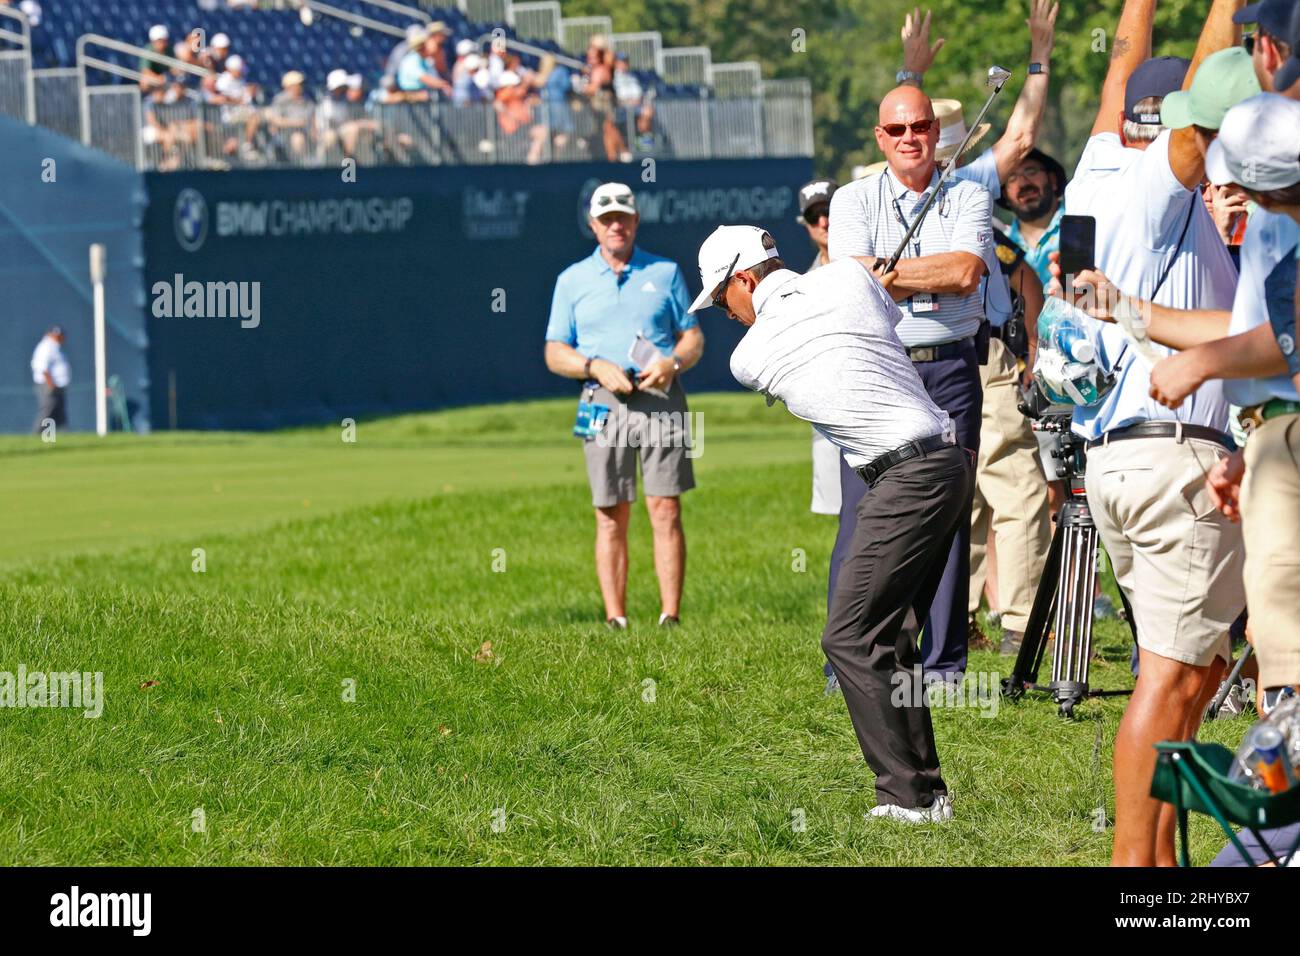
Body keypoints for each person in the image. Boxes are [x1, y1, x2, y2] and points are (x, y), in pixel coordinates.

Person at [691, 224, 971, 823]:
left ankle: (908, 798)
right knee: (890, 636)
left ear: (744, 278)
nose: (727, 314)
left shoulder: (748, 357)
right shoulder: (849, 276)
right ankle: (926, 792)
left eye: (722, 299)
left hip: (906, 480)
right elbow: (882, 325)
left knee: (849, 637)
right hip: (948, 463)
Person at [1055, 0, 1244, 867]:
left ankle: (1162, 863)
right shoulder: (1157, 187)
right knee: (1171, 677)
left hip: (1124, 459)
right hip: (1172, 457)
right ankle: (1138, 880)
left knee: (1190, 677)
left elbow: (1111, 83)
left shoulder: (1098, 166)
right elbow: (1203, 95)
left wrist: (1136, 7)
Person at [1130, 94, 1300, 701]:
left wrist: (1199, 366)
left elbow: (1289, 336)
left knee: (1284, 630)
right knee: (1276, 627)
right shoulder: (1276, 225)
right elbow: (1245, 328)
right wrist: (1126, 312)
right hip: (1274, 439)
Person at [828, 84, 991, 684]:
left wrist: (888, 274)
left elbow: (966, 271)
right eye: (896, 130)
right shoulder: (852, 200)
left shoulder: (970, 193)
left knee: (950, 511)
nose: (909, 139)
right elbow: (851, 281)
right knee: (862, 512)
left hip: (950, 365)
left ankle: (944, 664)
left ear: (936, 131)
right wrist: (928, 275)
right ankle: (851, 658)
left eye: (919, 126)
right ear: (880, 137)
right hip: (878, 366)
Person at [544, 184, 704, 629]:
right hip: (601, 401)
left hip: (660, 396)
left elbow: (692, 338)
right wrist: (593, 366)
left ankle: (670, 615)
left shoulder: (666, 272)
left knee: (665, 506)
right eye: (607, 218)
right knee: (610, 511)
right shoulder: (571, 280)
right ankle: (616, 618)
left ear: (635, 221)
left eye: (624, 216)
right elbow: (554, 351)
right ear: (593, 225)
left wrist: (672, 363)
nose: (616, 224)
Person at [796, 178, 843, 522]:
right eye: (815, 217)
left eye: (830, 211)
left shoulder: (878, 264)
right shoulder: (802, 286)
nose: (824, 222)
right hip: (831, 419)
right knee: (845, 524)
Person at [31, 325, 69, 434]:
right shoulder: (46, 347)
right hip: (48, 385)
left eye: (60, 335)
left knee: (58, 414)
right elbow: (42, 367)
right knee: (48, 411)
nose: (59, 337)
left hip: (57, 386)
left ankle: (51, 438)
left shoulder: (55, 347)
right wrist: (50, 384)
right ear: (50, 335)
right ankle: (38, 435)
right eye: (56, 335)